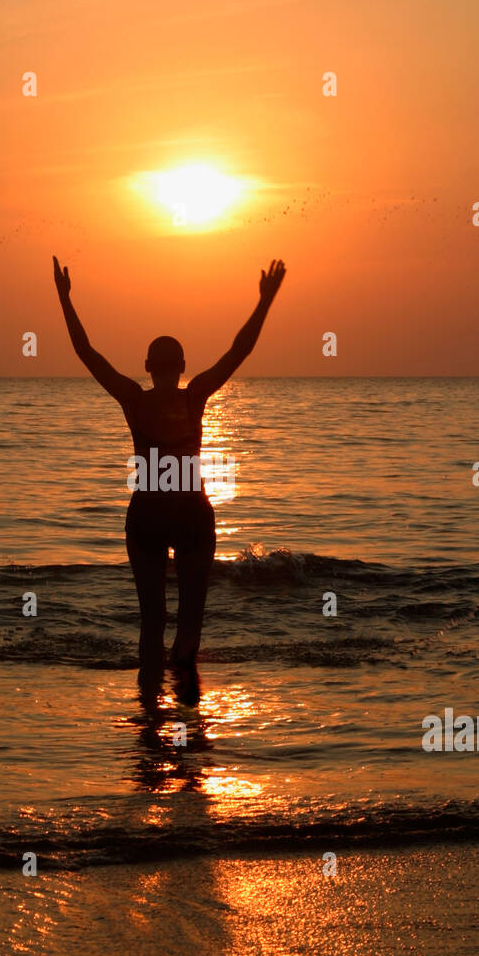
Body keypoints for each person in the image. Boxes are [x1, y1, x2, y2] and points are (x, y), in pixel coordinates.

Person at [54, 254, 286, 700]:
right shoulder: (196, 394)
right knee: (189, 625)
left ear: (146, 366)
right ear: (182, 366)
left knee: (152, 622)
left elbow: (85, 352)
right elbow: (240, 351)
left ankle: (149, 726)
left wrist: (65, 299)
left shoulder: (133, 399)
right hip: (192, 517)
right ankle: (190, 732)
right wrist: (265, 301)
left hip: (147, 519)